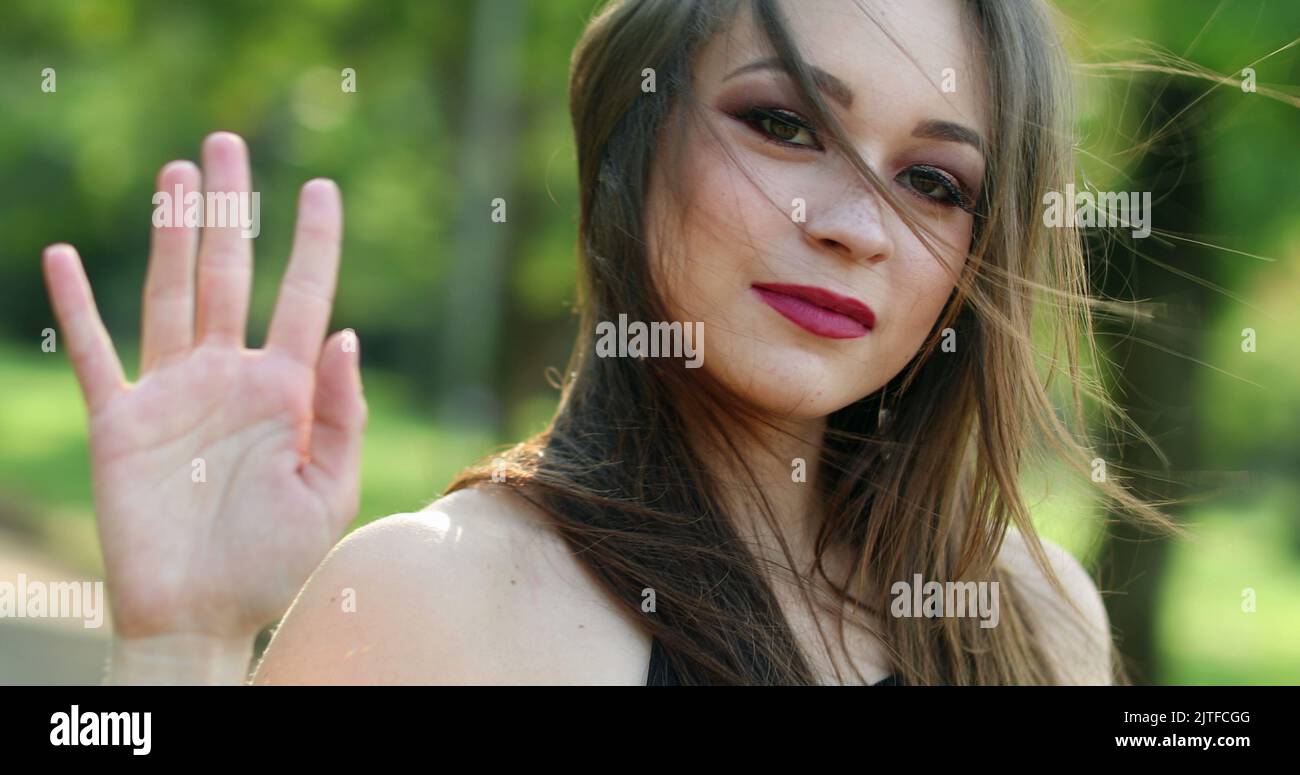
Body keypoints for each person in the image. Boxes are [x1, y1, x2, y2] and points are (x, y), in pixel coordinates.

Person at [41, 0, 1169, 685]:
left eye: (933, 181)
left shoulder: (1031, 618)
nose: (852, 225)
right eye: (783, 125)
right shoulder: (435, 607)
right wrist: (179, 648)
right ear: (637, 131)